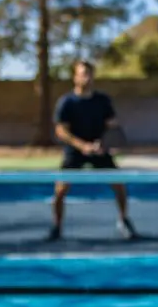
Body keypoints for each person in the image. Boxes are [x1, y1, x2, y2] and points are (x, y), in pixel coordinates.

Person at [49, 59, 137, 241]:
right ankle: (57, 227)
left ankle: (123, 220)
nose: (86, 78)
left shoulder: (102, 101)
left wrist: (102, 144)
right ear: (75, 77)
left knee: (119, 185)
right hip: (75, 152)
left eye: (89, 74)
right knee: (59, 190)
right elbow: (61, 131)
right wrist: (82, 146)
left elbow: (112, 125)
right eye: (82, 74)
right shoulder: (67, 102)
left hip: (99, 151)